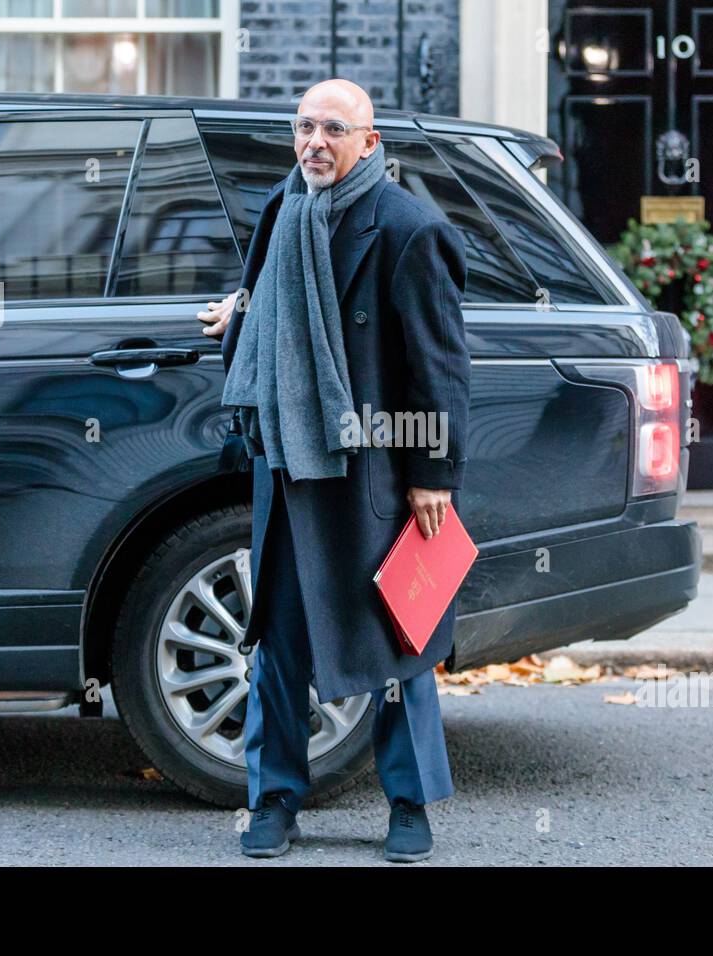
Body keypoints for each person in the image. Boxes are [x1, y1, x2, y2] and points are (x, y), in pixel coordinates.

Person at [199, 77, 470, 863]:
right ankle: (274, 799)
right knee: (279, 642)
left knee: (397, 638)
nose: (315, 142)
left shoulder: (410, 229)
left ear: (370, 143)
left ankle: (410, 804)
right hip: (288, 461)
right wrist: (239, 309)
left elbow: (440, 367)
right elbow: (276, 301)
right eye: (305, 126)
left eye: (334, 129)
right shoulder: (284, 210)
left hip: (375, 468)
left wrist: (434, 475)